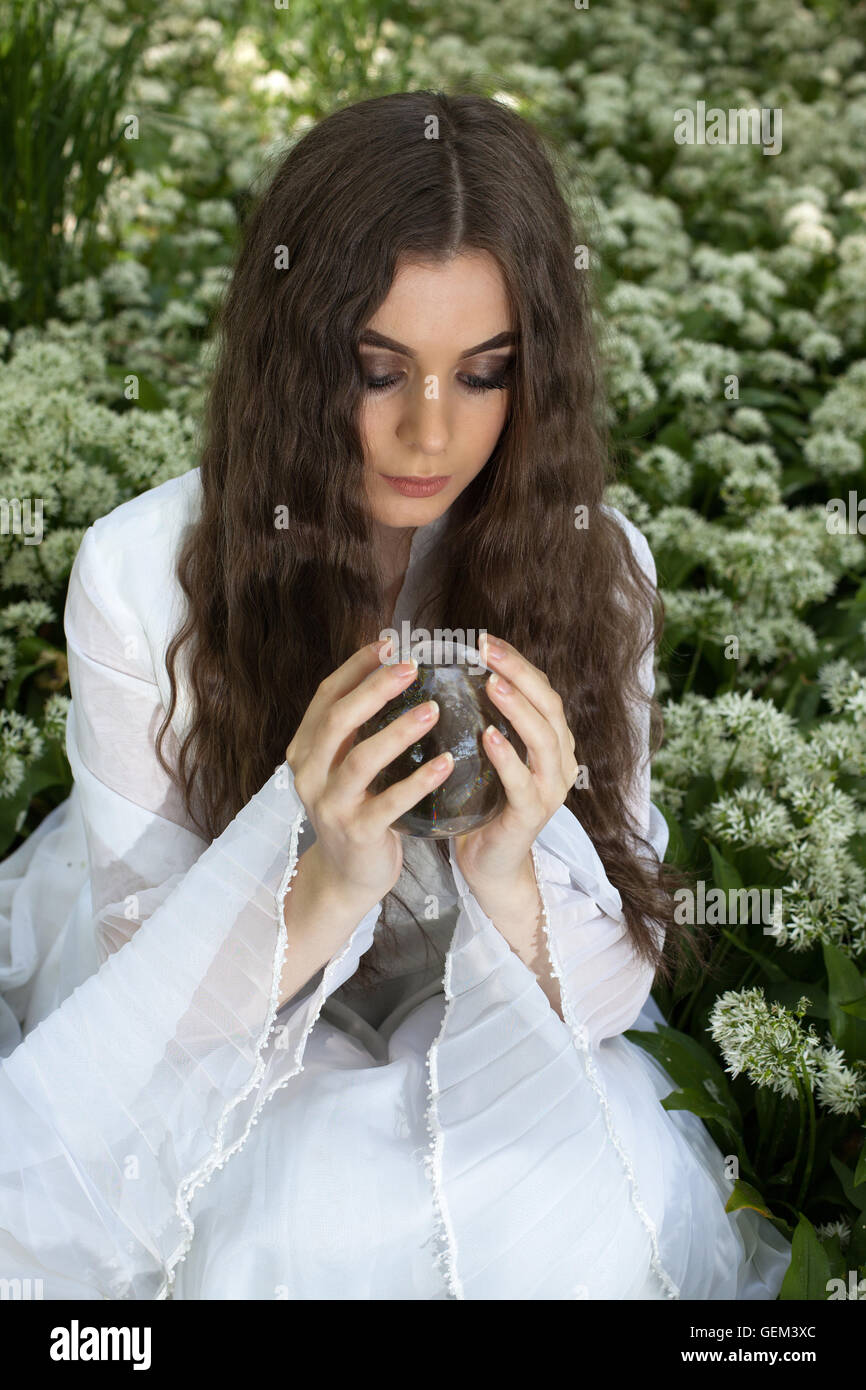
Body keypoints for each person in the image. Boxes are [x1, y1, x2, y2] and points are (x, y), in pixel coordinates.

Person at [0, 89, 791, 1300]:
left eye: (482, 375)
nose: (428, 432)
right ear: (296, 355)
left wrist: (508, 868)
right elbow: (156, 1003)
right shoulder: (142, 576)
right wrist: (329, 877)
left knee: (574, 1210)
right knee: (301, 1217)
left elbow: (614, 976)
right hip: (231, 1009)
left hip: (478, 997)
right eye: (378, 370)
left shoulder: (596, 562)